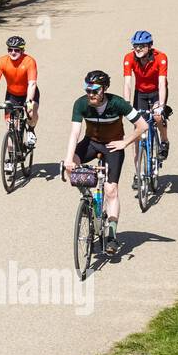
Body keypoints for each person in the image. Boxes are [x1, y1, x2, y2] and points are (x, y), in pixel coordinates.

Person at [62, 70, 145, 255]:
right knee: (69, 167)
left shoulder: (118, 104)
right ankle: (88, 200)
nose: (90, 94)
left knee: (111, 190)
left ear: (104, 89)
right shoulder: (81, 103)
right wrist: (69, 159)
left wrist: (125, 142)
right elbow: (75, 133)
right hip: (91, 143)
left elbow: (143, 125)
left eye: (95, 90)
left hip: (112, 147)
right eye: (87, 89)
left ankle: (112, 236)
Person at [122, 30, 170, 181]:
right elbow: (128, 83)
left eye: (142, 46)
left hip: (157, 91)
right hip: (140, 93)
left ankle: (164, 140)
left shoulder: (161, 58)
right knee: (138, 130)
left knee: (156, 116)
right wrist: (126, 104)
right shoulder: (129, 58)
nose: (138, 49)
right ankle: (138, 172)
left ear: (150, 46)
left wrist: (161, 105)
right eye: (135, 46)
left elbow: (162, 83)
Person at [0, 35, 39, 148]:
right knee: (11, 127)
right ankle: (11, 159)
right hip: (12, 95)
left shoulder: (29, 61)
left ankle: (31, 130)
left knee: (31, 112)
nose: (13, 52)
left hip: (29, 93)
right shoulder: (1, 61)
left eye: (16, 50)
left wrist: (28, 101)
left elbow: (32, 84)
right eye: (10, 49)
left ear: (22, 50)